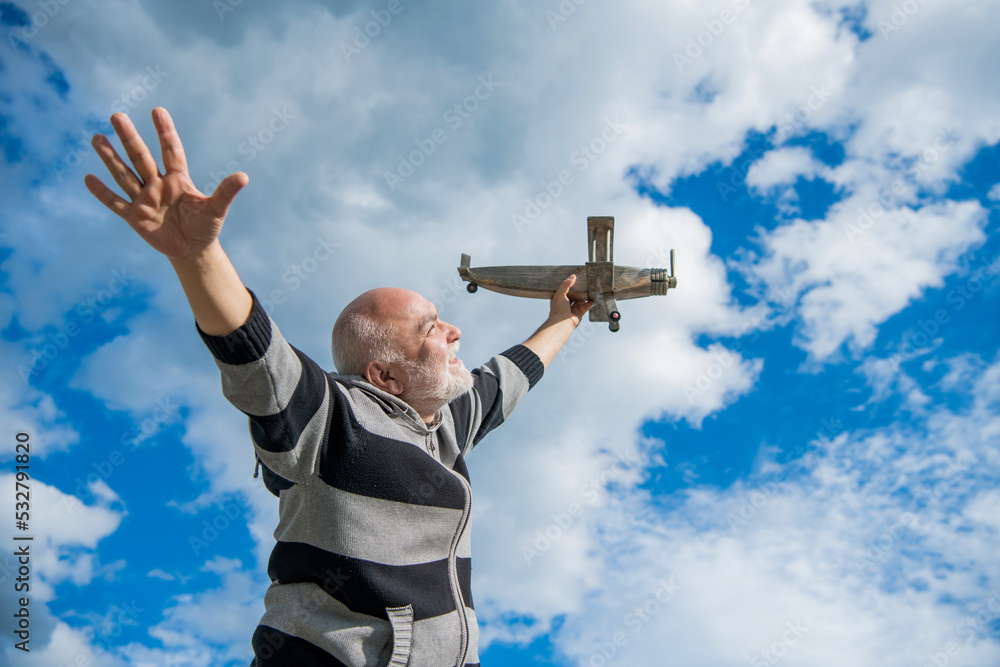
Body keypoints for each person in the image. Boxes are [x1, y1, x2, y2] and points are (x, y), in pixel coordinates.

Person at [85, 107, 594, 666]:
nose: (455, 331)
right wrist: (198, 257)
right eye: (430, 327)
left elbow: (508, 379)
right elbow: (258, 360)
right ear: (384, 376)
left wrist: (565, 319)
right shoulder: (330, 417)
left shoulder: (443, 424)